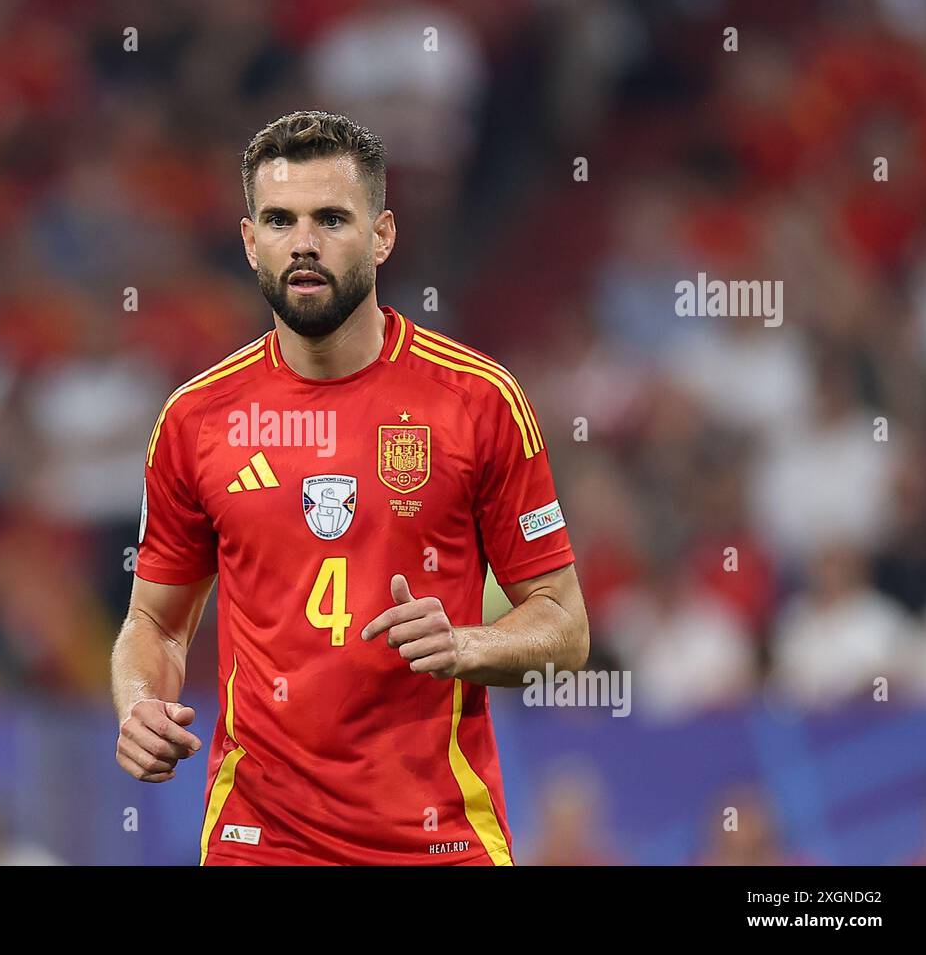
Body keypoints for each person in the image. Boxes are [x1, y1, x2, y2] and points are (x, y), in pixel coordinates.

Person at [110, 111, 589, 865]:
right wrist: (139, 705)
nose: (304, 242)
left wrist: (468, 644)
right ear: (249, 241)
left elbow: (565, 630)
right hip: (259, 838)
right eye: (280, 219)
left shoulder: (477, 400)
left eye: (331, 218)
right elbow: (158, 626)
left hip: (438, 837)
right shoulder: (195, 420)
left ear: (383, 234)